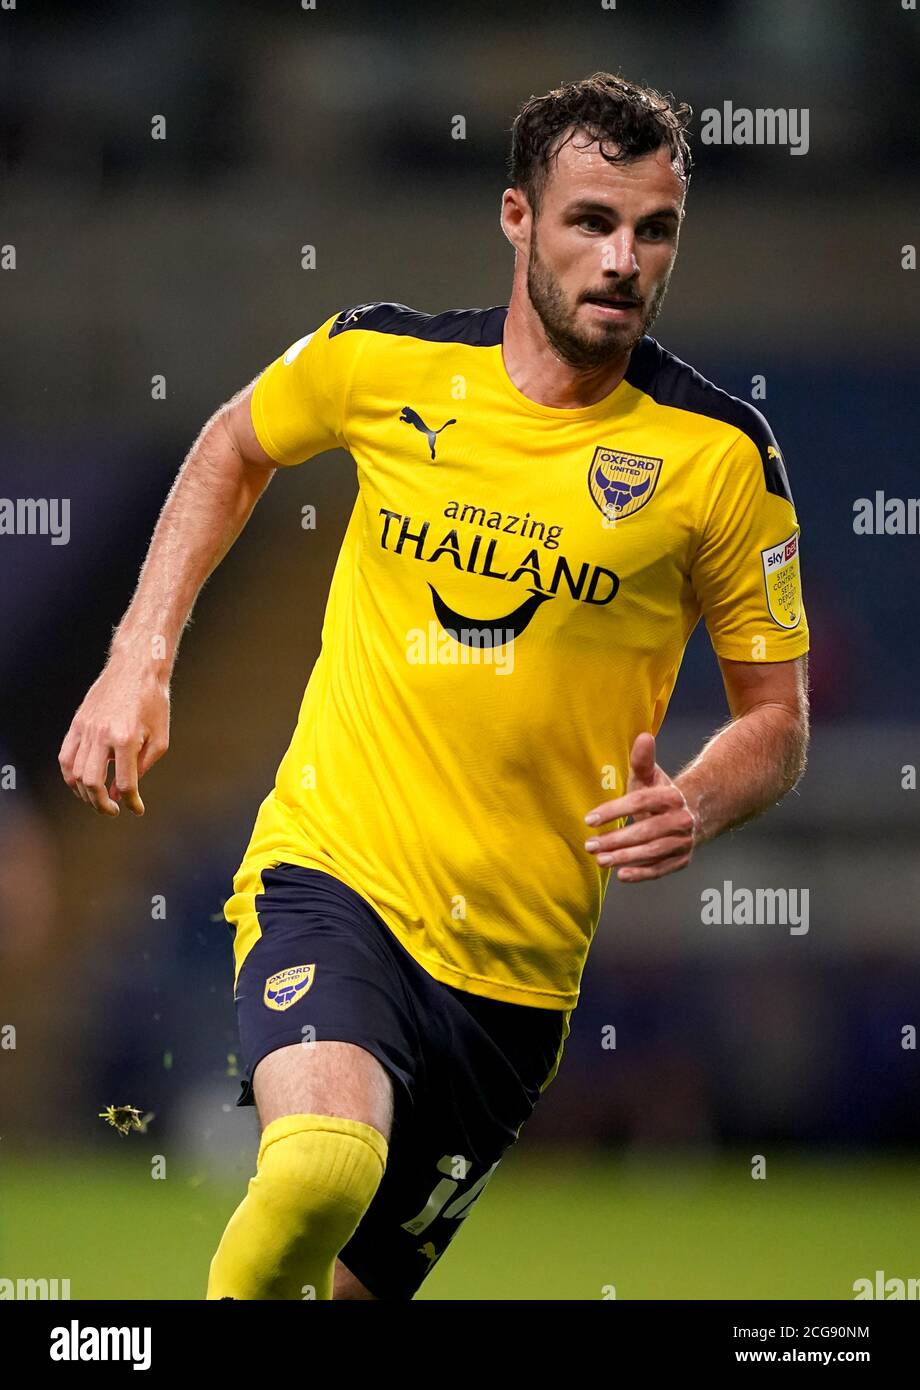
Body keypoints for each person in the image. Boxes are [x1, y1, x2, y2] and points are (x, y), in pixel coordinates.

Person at [58, 72, 809, 1300]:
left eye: (652, 229)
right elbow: (232, 444)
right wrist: (139, 657)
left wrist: (699, 796)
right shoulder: (383, 358)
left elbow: (772, 720)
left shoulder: (720, 457)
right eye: (589, 221)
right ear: (516, 217)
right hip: (335, 872)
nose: (622, 259)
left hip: (513, 974)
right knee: (315, 1171)